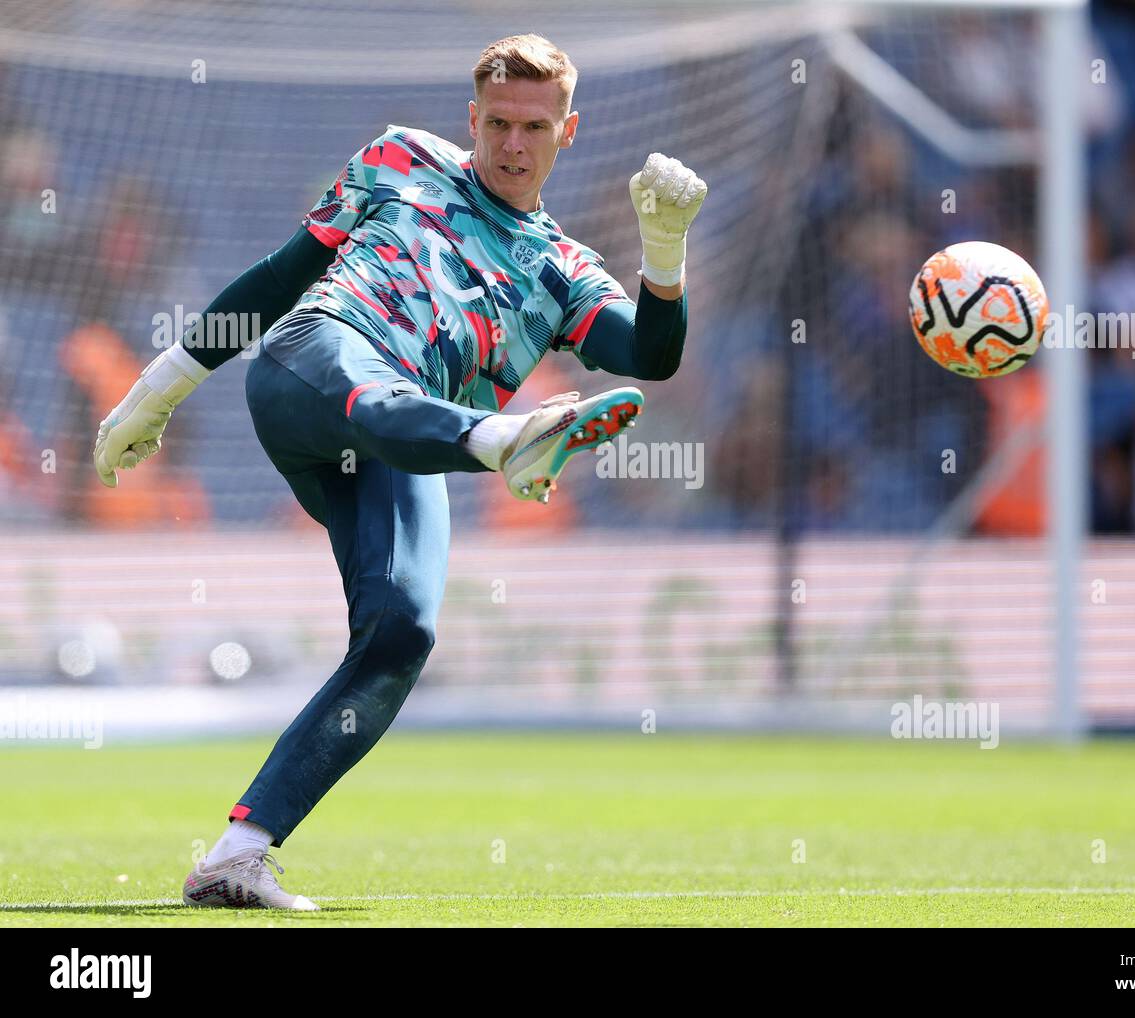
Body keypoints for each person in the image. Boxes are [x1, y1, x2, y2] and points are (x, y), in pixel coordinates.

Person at [90, 34, 706, 910]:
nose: (512, 144)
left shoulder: (565, 271)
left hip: (408, 441)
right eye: (496, 123)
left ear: (568, 132)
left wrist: (665, 254)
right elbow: (279, 278)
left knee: (401, 634)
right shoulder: (399, 156)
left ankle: (238, 852)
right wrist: (161, 388)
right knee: (379, 392)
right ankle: (502, 442)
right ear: (472, 119)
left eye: (534, 127)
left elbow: (651, 354)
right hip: (316, 364)